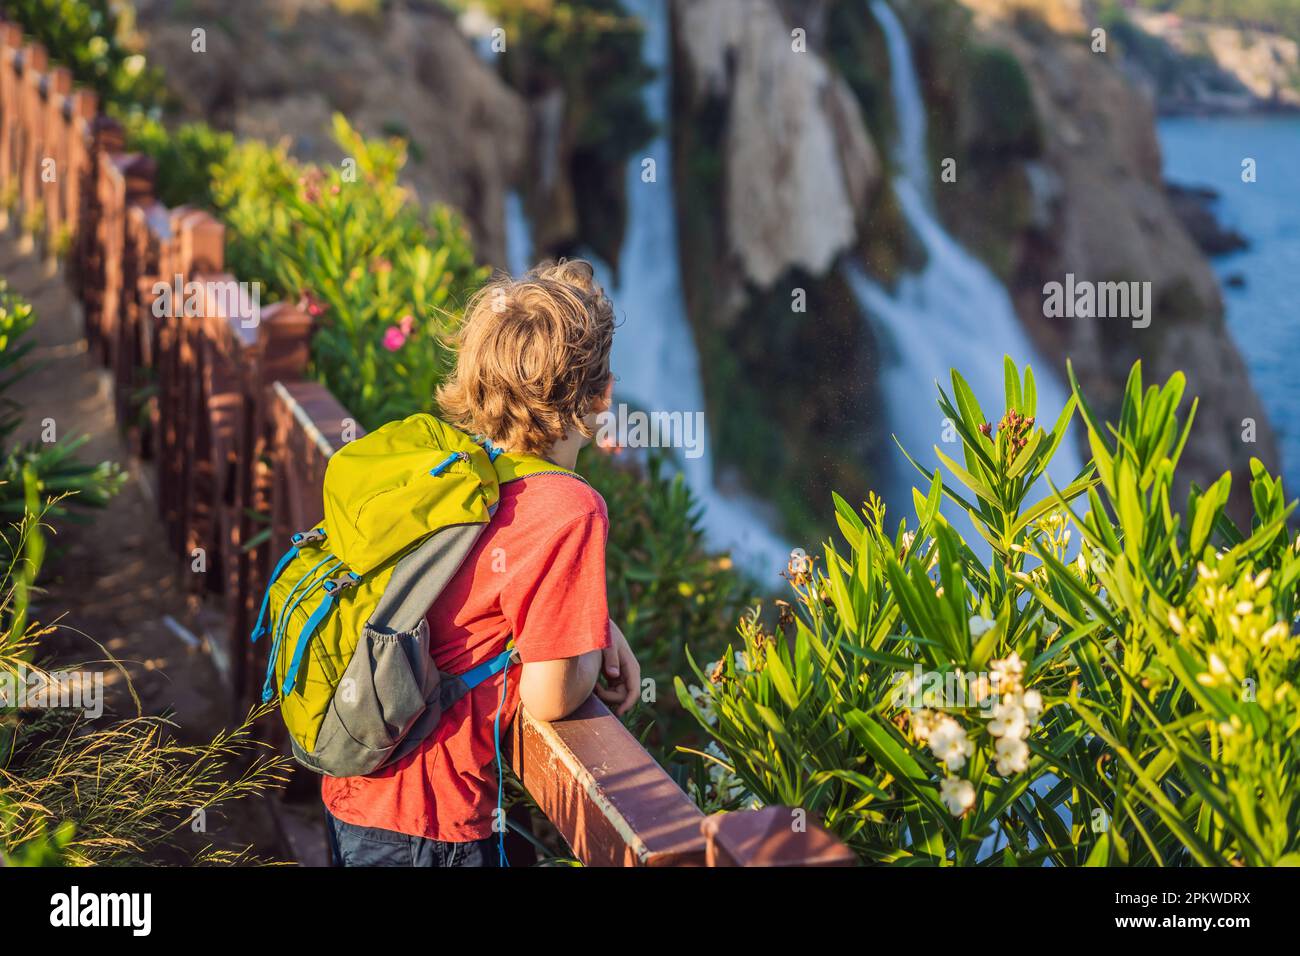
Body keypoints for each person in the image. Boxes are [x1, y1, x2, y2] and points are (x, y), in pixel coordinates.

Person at [322, 259, 640, 867]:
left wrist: (592, 623)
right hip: (434, 821)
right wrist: (590, 645)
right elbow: (550, 696)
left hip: (356, 783)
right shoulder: (571, 508)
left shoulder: (458, 472)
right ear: (599, 395)